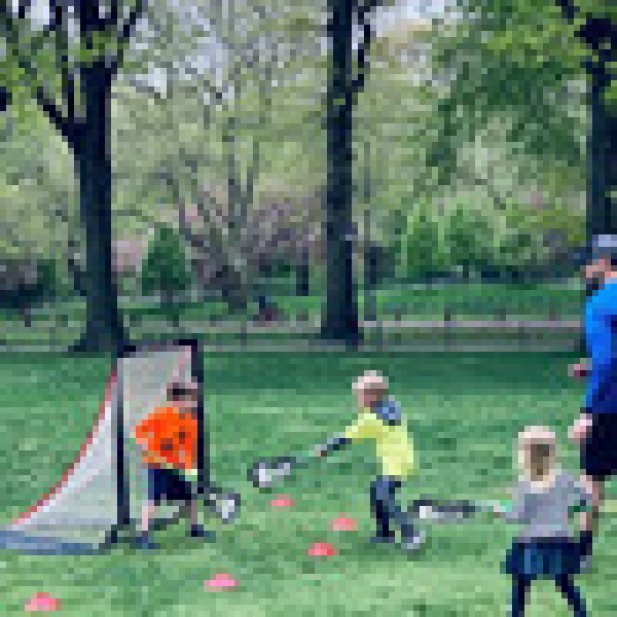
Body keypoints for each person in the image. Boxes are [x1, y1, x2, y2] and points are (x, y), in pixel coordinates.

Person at [314, 370, 423, 552]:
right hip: (403, 459)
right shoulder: (392, 405)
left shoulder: (371, 419)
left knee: (384, 497)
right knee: (376, 490)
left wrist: (325, 448)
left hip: (395, 463)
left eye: (361, 395)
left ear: (373, 396)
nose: (358, 399)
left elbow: (346, 437)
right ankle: (384, 534)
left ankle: (411, 533)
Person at [495, 426, 591, 617]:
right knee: (564, 582)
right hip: (560, 541)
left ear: (526, 456)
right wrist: (569, 511)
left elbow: (518, 516)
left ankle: (515, 614)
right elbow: (586, 499)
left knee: (521, 582)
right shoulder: (564, 479)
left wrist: (500, 512)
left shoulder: (524, 484)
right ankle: (581, 613)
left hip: (531, 543)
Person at [568, 233, 617, 567]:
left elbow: (608, 361)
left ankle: (582, 553)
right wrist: (592, 367)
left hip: (609, 407)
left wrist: (588, 411)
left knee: (592, 479)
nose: (583, 268)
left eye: (587, 261)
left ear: (603, 263)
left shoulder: (600, 304)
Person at [132, 381, 213, 550]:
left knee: (190, 496)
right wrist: (144, 445)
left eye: (194, 400)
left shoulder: (192, 423)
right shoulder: (162, 415)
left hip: (175, 466)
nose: (193, 404)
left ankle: (195, 528)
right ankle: (143, 536)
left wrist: (190, 470)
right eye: (189, 400)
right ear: (176, 401)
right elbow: (139, 431)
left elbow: (189, 449)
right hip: (156, 464)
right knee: (154, 499)